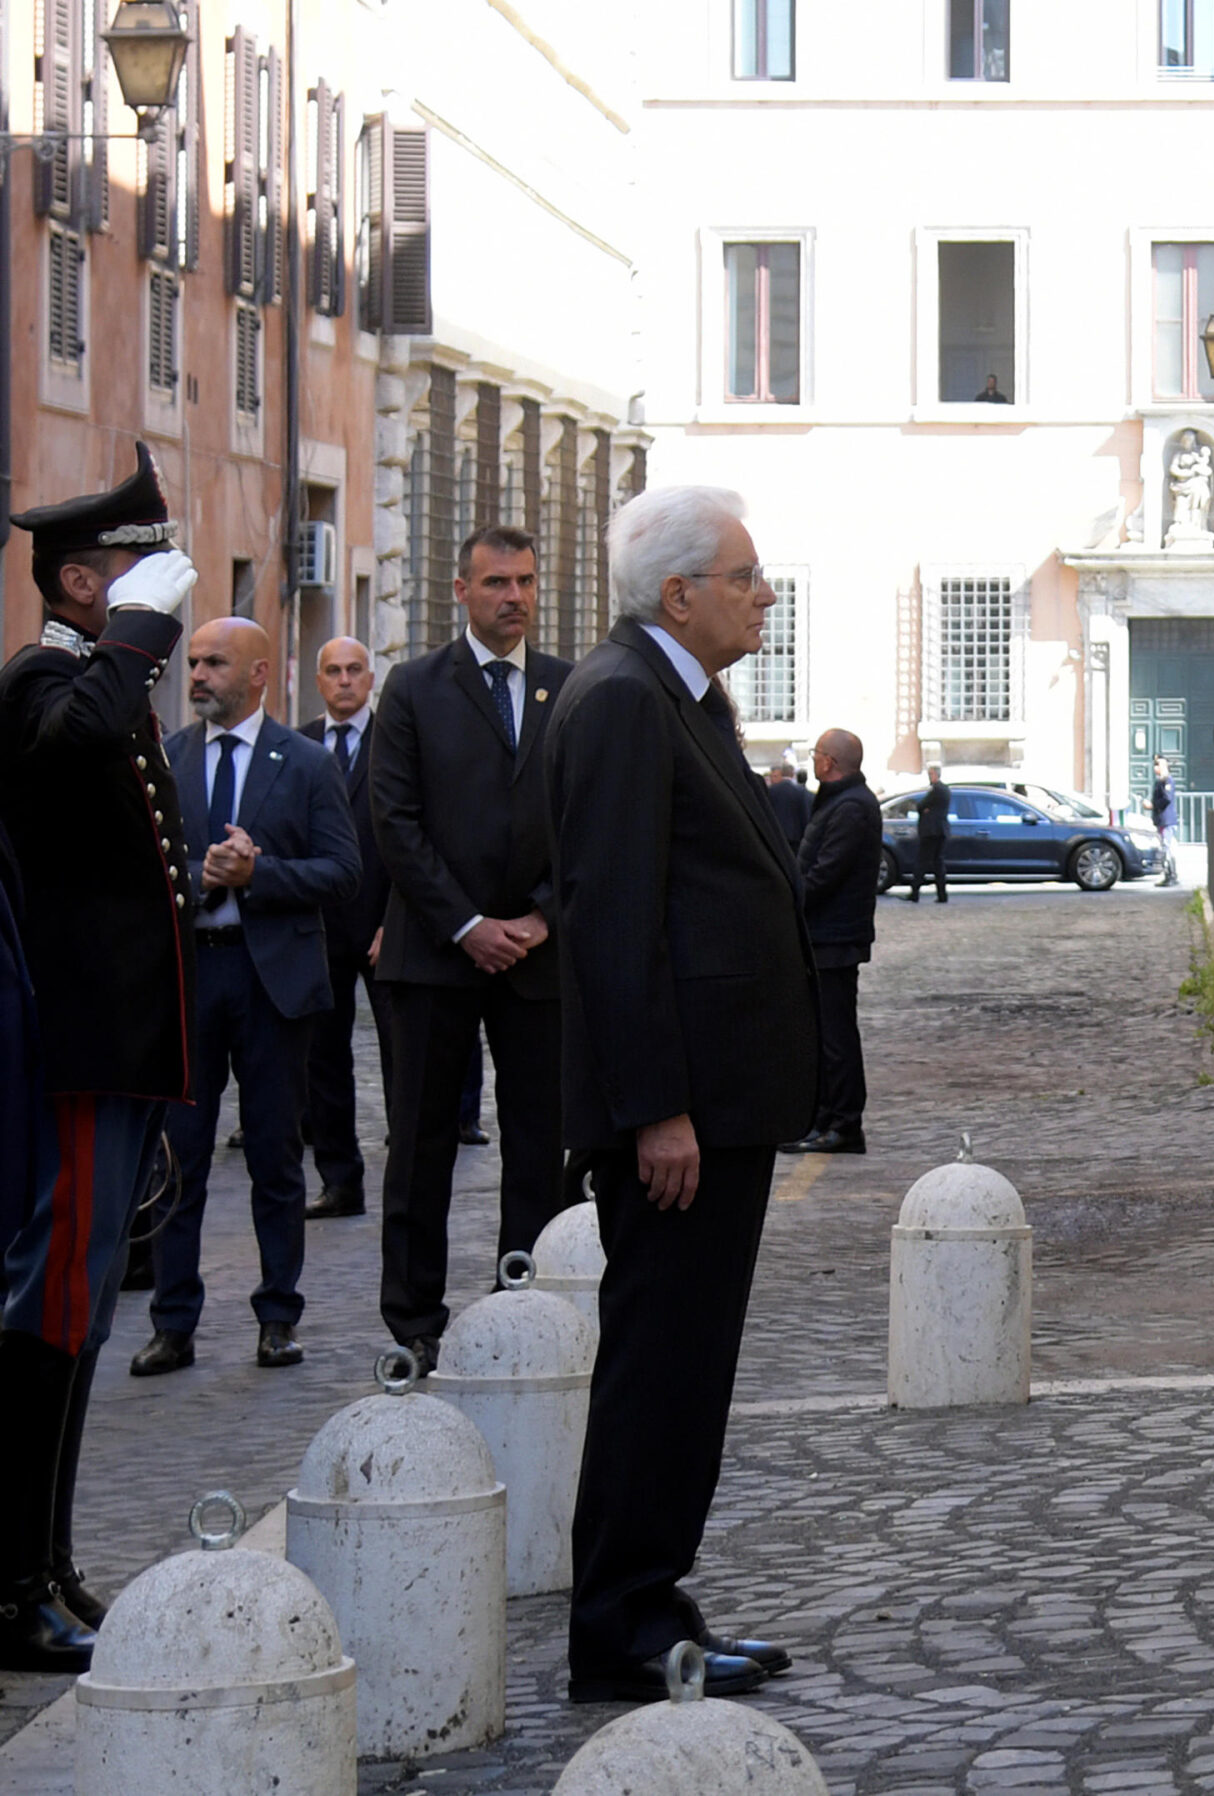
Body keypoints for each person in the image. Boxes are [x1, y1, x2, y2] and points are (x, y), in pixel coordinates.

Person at [548, 484, 814, 1703]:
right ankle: (620, 1625)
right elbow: (612, 920)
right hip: (681, 1115)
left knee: (687, 1369)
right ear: (678, 593)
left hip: (720, 1102)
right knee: (660, 1368)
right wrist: (656, 1107)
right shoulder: (621, 699)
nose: (764, 595)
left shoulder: (677, 694)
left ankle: (655, 1602)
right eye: (744, 577)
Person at [0, 448, 196, 1670]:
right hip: (75, 1048)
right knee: (52, 1304)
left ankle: (48, 1561)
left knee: (79, 1309)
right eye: (131, 565)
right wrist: (139, 631)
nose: (156, 585)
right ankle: (11, 1582)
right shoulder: (43, 680)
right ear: (82, 583)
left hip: (118, 1047)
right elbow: (80, 737)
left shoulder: (93, 679)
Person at [368, 524, 574, 1372]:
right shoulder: (413, 688)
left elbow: (593, 817)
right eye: (495, 582)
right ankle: (414, 1318)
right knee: (421, 1142)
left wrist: (542, 918)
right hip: (434, 954)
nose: (513, 596)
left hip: (537, 956)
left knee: (539, 1140)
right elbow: (394, 821)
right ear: (461, 590)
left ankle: (522, 1299)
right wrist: (467, 926)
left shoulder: (571, 687)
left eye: (524, 580)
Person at [138, 618, 360, 1376]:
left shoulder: (305, 762)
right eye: (195, 662)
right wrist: (202, 873)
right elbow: (146, 867)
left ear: (260, 673)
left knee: (275, 1156)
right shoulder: (169, 759)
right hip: (190, 979)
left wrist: (257, 875)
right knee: (179, 1161)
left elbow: (342, 872)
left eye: (214, 663)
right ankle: (173, 1323)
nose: (197, 675)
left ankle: (277, 1318)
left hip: (272, 986)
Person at [300, 637, 388, 1221]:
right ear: (319, 680)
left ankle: (408, 1178)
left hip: (385, 929)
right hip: (320, 928)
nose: (345, 680)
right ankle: (339, 1181)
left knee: (405, 1062)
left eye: (355, 670)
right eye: (333, 671)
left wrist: (397, 921)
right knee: (323, 1062)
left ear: (371, 678)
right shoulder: (298, 745)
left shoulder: (396, 741)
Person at [785, 729, 880, 1155]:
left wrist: (788, 900)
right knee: (824, 1035)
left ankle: (843, 1123)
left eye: (817, 753)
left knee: (836, 1037)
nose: (814, 759)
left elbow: (826, 873)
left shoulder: (851, 807)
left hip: (835, 939)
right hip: (823, 936)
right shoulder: (839, 801)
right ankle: (824, 1118)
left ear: (830, 762)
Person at [909, 764, 951, 903]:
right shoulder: (945, 790)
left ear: (936, 774)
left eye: (931, 774)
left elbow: (921, 806)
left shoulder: (936, 790)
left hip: (930, 831)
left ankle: (915, 892)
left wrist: (925, 809)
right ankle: (942, 894)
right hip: (941, 830)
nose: (929, 776)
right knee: (938, 863)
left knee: (922, 862)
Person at [764, 760, 812, 849]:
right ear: (793, 774)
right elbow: (805, 814)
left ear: (781, 773)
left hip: (776, 836)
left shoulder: (770, 791)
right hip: (796, 837)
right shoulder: (801, 792)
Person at [1150, 756, 1179, 886]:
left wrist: (1153, 805)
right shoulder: (1160, 781)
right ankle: (1169, 875)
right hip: (1162, 820)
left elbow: (1167, 799)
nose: (1155, 767)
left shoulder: (1167, 781)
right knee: (1166, 847)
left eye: (1158, 764)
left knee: (1167, 848)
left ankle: (1171, 875)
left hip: (1166, 820)